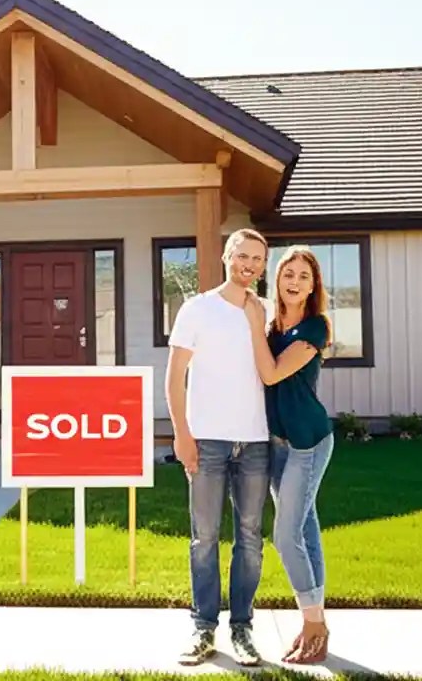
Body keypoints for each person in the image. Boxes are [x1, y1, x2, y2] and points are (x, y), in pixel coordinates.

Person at [165, 228, 273, 667]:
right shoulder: (197, 308)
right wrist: (181, 434)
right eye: (242, 255)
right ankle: (203, 628)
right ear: (227, 256)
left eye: (258, 259)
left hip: (256, 442)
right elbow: (175, 378)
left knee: (250, 539)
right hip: (207, 441)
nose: (249, 265)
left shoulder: (265, 311)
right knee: (203, 538)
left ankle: (242, 628)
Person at [242, 244, 335, 665]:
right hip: (277, 443)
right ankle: (313, 619)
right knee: (306, 530)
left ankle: (315, 626)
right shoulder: (273, 329)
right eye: (288, 273)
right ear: (276, 279)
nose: (294, 281)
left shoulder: (314, 329)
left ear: (313, 285)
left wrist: (254, 322)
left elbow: (271, 372)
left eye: (303, 276)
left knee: (284, 535)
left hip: (308, 442)